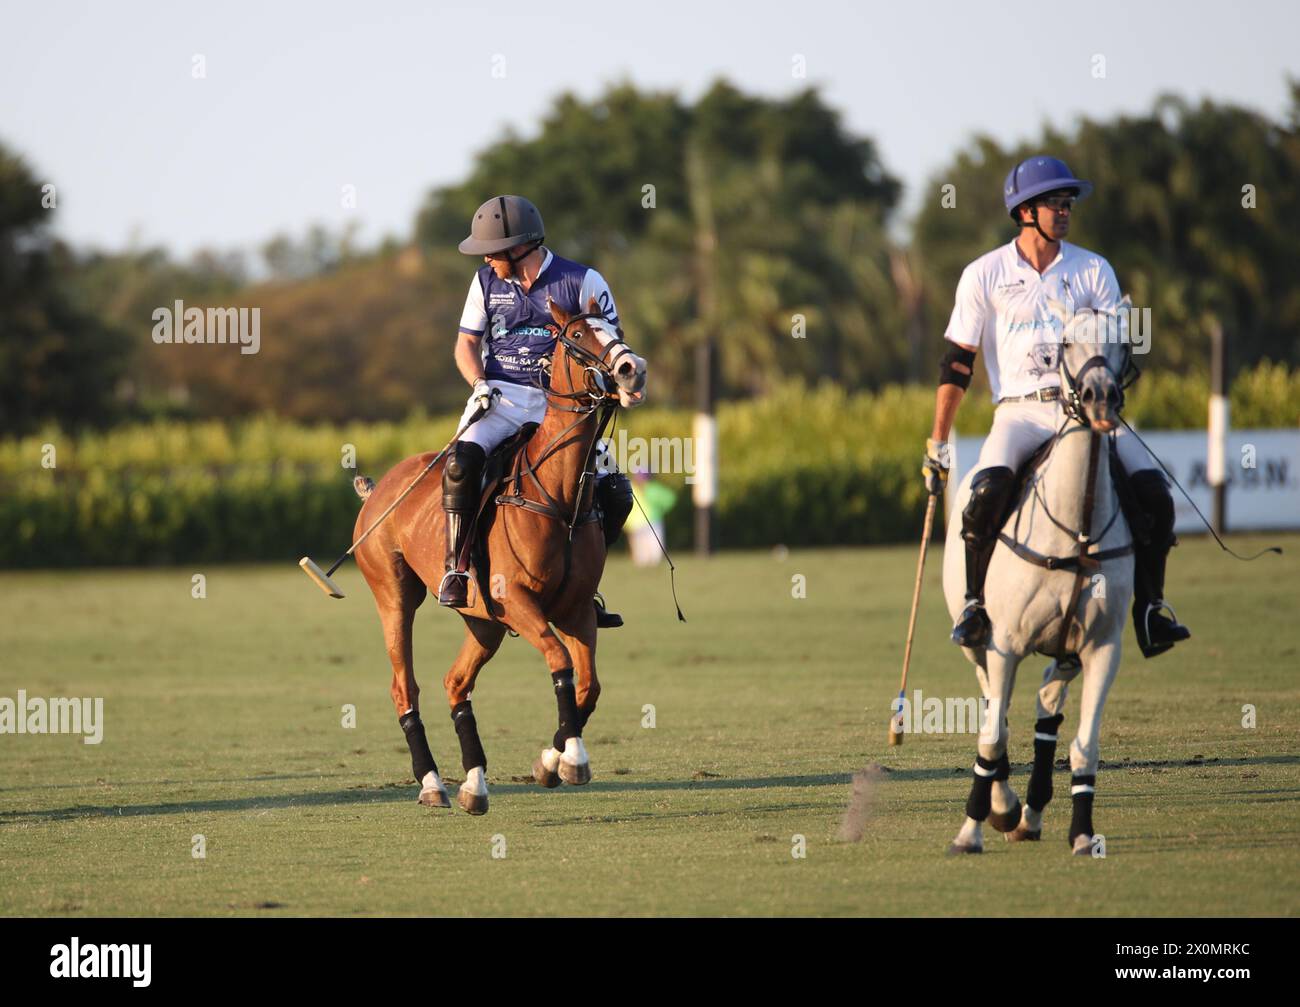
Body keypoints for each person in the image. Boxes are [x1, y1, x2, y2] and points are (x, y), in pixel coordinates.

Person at [923, 156, 1191, 658]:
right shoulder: (984, 274)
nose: (1065, 210)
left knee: (1155, 492)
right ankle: (975, 605)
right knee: (985, 491)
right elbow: (957, 364)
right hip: (1021, 413)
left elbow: (1116, 342)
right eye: (1054, 202)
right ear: (1025, 211)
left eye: (1068, 202)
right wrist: (939, 440)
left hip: (1088, 411)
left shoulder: (1093, 269)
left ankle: (1151, 609)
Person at [440, 194, 637, 624]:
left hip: (561, 410)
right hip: (501, 399)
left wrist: (621, 384)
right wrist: (478, 385)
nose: (488, 259)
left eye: (493, 251)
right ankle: (456, 569)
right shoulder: (484, 282)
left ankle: (586, 587)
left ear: (520, 247)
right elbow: (466, 344)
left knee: (617, 492)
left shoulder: (582, 281)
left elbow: (612, 346)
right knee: (460, 465)